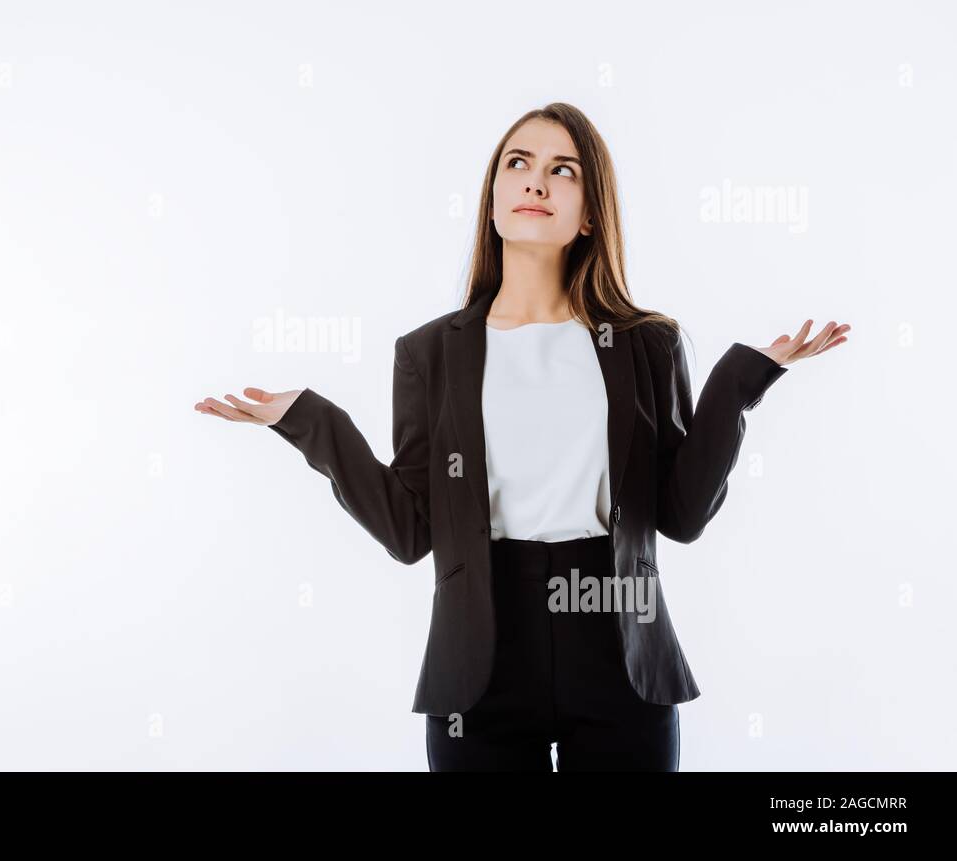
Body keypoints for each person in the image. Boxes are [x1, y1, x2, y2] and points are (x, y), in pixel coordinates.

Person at [195, 102, 849, 771]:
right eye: (518, 164)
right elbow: (408, 531)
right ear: (494, 197)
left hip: (622, 651)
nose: (535, 182)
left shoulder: (645, 343)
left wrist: (743, 381)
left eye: (562, 170)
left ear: (590, 212)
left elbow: (681, 514)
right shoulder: (431, 352)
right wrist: (309, 419)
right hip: (480, 668)